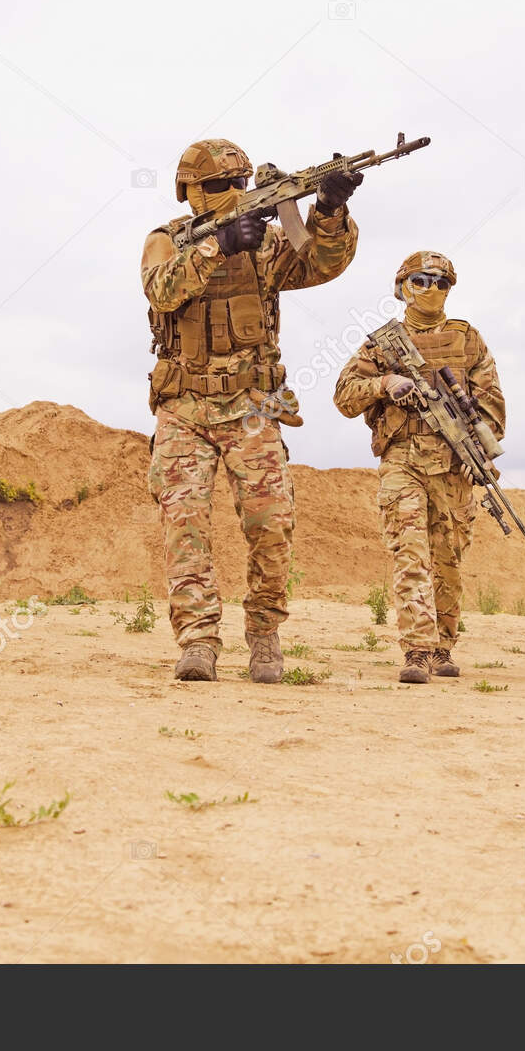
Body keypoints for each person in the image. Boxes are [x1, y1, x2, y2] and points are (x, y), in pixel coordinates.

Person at [141, 138, 362, 681]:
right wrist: (219, 246)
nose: (232, 195)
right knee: (184, 526)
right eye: (219, 186)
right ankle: (197, 640)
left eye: (239, 185)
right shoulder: (166, 240)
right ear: (188, 190)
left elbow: (320, 265)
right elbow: (161, 292)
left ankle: (264, 633)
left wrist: (330, 212)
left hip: (253, 408)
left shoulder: (266, 243)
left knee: (271, 523)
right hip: (184, 409)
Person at [333, 251, 505, 683]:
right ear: (403, 286)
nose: (431, 290)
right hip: (402, 462)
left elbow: (491, 402)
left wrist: (480, 453)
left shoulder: (468, 340)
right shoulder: (382, 344)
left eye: (441, 282)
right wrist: (386, 384)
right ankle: (417, 650)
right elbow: (345, 396)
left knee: (448, 559)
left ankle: (443, 647)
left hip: (453, 466)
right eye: (421, 281)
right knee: (410, 555)